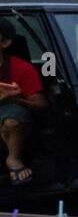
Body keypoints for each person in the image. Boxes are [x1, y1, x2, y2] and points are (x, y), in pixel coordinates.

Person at [0, 19, 48, 186]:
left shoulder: (21, 68)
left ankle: (14, 158)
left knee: (13, 118)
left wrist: (16, 99)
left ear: (5, 42)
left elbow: (41, 104)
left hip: (7, 121)